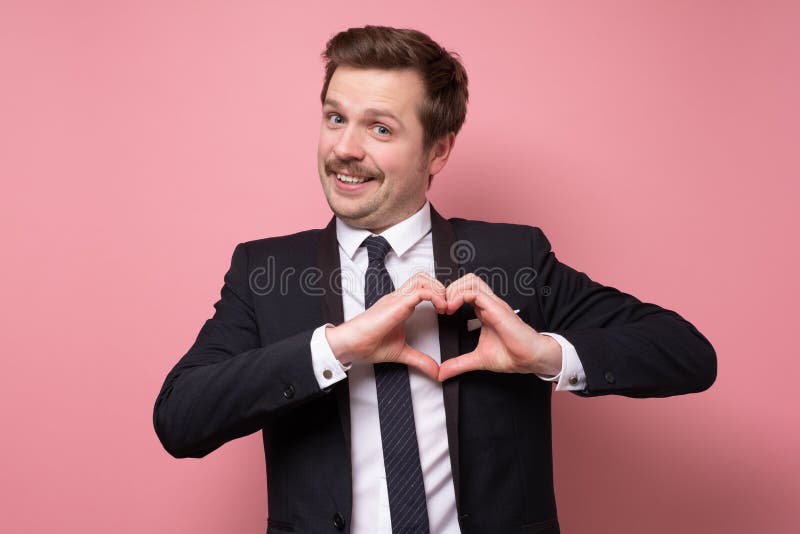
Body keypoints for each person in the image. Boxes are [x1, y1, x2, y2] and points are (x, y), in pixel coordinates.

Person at [153, 25, 716, 534]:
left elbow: (687, 353)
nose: (344, 149)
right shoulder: (265, 272)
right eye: (335, 118)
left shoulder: (512, 259)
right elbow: (180, 419)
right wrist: (335, 347)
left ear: (438, 150)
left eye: (380, 128)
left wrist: (542, 354)